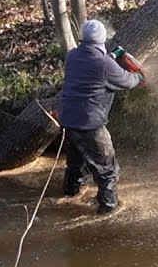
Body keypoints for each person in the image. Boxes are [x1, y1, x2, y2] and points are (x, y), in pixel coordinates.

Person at [56, 19, 144, 215]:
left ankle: (70, 195)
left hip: (68, 121)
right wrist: (139, 76)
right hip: (91, 125)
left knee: (76, 164)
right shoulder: (104, 65)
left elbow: (92, 66)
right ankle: (108, 209)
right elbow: (127, 81)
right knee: (108, 171)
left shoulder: (72, 56)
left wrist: (112, 57)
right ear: (102, 40)